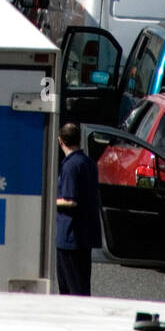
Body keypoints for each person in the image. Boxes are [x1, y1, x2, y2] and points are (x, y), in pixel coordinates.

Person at [56, 122, 102, 296]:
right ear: (80, 140)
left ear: (60, 141)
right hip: (84, 236)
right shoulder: (88, 163)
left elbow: (70, 200)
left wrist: (52, 202)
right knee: (82, 286)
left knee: (70, 290)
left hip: (70, 236)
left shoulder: (70, 166)